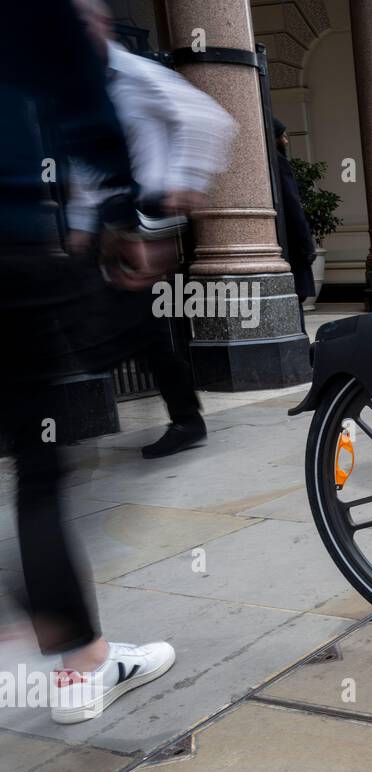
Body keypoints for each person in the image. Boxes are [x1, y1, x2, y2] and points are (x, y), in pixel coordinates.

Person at [2, 0, 178, 723]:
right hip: (15, 250)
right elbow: (83, 105)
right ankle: (81, 664)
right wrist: (128, 219)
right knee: (42, 469)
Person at [67, 0, 236, 460]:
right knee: (143, 327)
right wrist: (82, 224)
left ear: (102, 25)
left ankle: (184, 417)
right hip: (110, 218)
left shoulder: (139, 75)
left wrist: (185, 181)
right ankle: (186, 418)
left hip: (146, 211)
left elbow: (209, 118)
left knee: (132, 322)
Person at [273, 118, 317, 308]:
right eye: (282, 136)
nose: (286, 141)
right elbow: (293, 206)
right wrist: (308, 246)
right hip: (290, 248)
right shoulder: (279, 162)